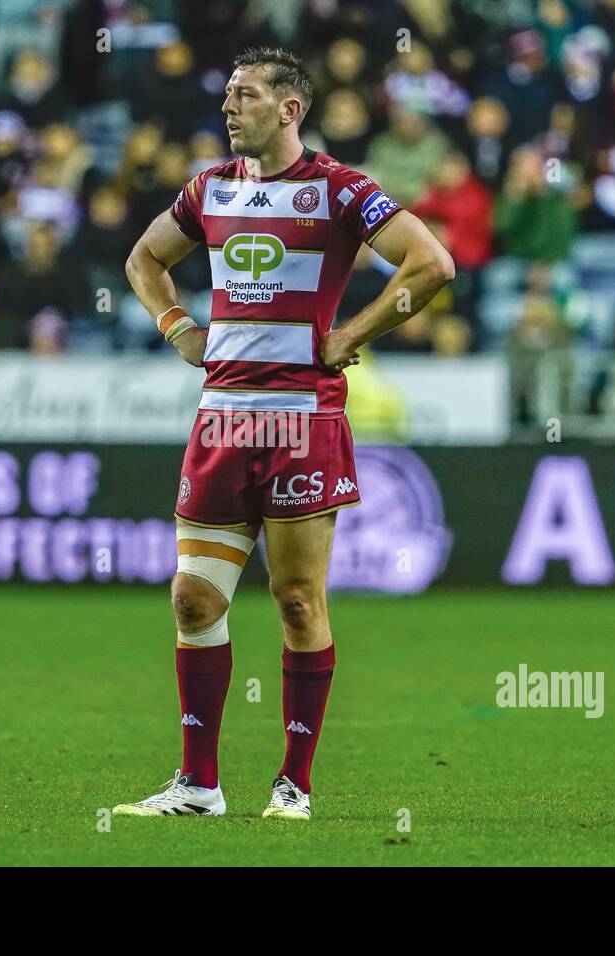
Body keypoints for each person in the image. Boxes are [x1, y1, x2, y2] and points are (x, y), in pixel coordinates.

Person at [115, 47, 453, 820]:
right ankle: (198, 785)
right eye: (227, 94)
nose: (229, 107)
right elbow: (143, 260)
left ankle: (293, 784)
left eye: (245, 95)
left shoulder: (339, 191)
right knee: (193, 600)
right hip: (224, 417)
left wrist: (348, 334)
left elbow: (431, 265)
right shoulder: (209, 190)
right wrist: (177, 326)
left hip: (303, 420)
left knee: (298, 602)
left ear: (289, 110)